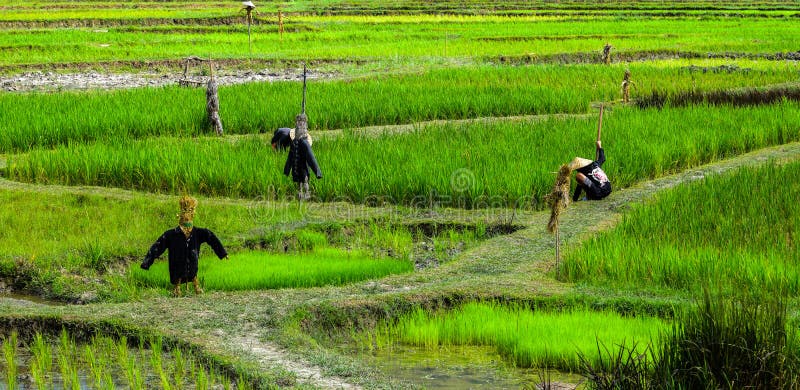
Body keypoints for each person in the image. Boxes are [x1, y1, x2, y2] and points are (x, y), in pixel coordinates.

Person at [140, 195, 228, 296]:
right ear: (181, 214)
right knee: (177, 275)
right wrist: (147, 262)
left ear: (193, 213)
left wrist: (222, 253)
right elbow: (157, 247)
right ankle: (177, 289)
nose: (187, 215)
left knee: (193, 274)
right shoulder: (171, 235)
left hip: (192, 267)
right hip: (176, 268)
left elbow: (212, 238)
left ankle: (196, 287)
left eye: (190, 211)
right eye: (185, 211)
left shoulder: (198, 233)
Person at [284, 113, 322, 200]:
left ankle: (307, 194)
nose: (298, 126)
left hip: (304, 168)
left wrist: (317, 172)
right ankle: (300, 196)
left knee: (304, 182)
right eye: (297, 125)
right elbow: (290, 157)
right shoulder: (293, 142)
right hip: (296, 168)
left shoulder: (305, 143)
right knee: (299, 185)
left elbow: (311, 158)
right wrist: (287, 170)